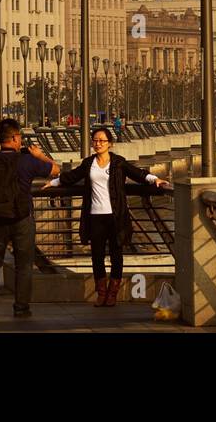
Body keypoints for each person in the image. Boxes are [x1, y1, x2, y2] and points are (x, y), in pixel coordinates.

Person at [42, 126, 169, 306]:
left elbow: (137, 173)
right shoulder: (88, 163)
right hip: (95, 216)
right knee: (97, 256)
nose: (98, 144)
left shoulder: (118, 163)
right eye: (95, 140)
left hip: (115, 216)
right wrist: (53, 183)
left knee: (117, 255)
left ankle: (112, 294)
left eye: (102, 140)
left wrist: (154, 179)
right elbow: (71, 176)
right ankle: (101, 293)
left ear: (110, 143)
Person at [0, 118, 60, 318]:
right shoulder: (27, 160)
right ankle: (21, 306)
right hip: (21, 218)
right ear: (14, 138)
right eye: (19, 136)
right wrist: (41, 156)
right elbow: (56, 170)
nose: (21, 140)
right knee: (24, 263)